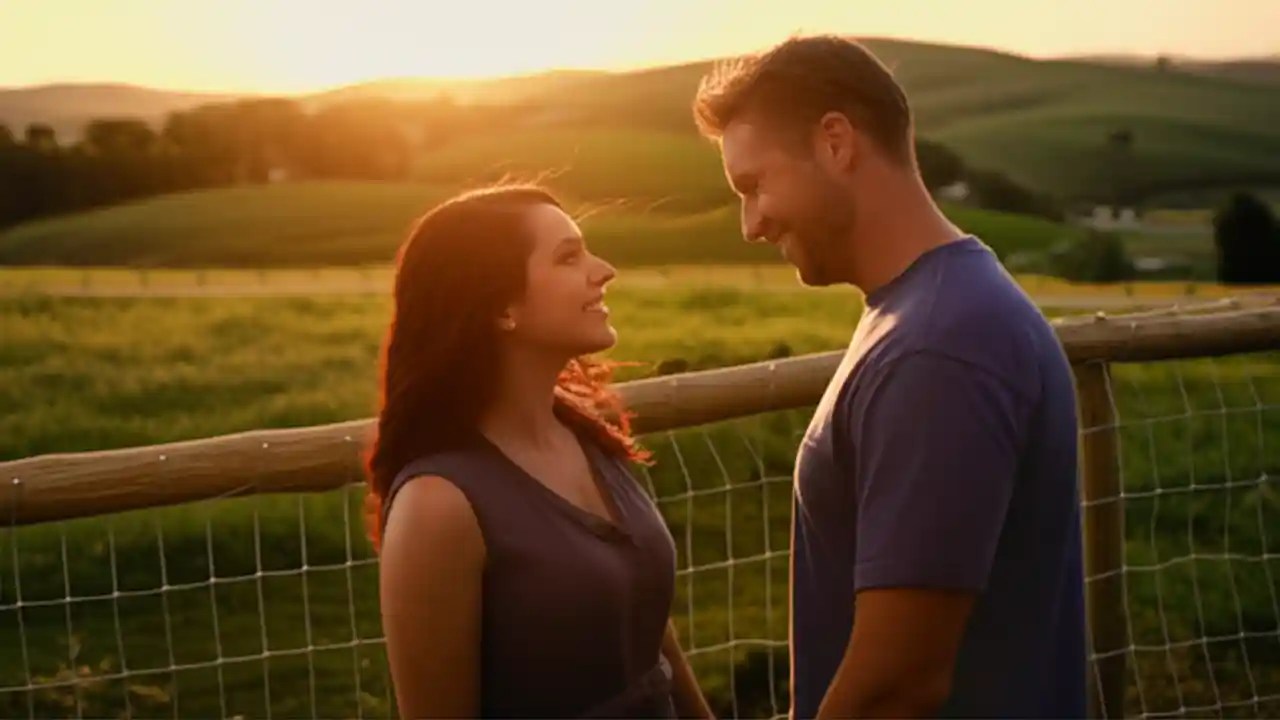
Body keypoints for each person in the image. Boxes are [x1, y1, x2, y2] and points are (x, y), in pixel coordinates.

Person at [692, 36, 1086, 719]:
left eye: (754, 186)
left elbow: (897, 687)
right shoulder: (925, 312)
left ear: (836, 143)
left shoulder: (939, 346)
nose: (751, 224)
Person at [365, 185, 714, 719]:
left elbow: (651, 639)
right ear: (501, 306)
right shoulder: (438, 505)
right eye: (568, 257)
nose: (604, 270)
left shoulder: (589, 440)